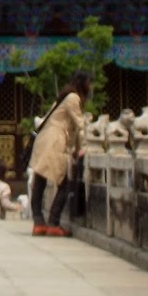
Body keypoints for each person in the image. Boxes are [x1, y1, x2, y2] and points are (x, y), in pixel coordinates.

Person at [28, 72, 91, 237]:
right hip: (55, 141)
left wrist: (77, 148)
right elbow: (80, 124)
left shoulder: (64, 97)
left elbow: (73, 127)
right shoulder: (73, 98)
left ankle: (38, 222)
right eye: (89, 83)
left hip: (45, 139)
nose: (91, 87)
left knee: (40, 180)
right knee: (64, 183)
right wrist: (84, 146)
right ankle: (53, 222)